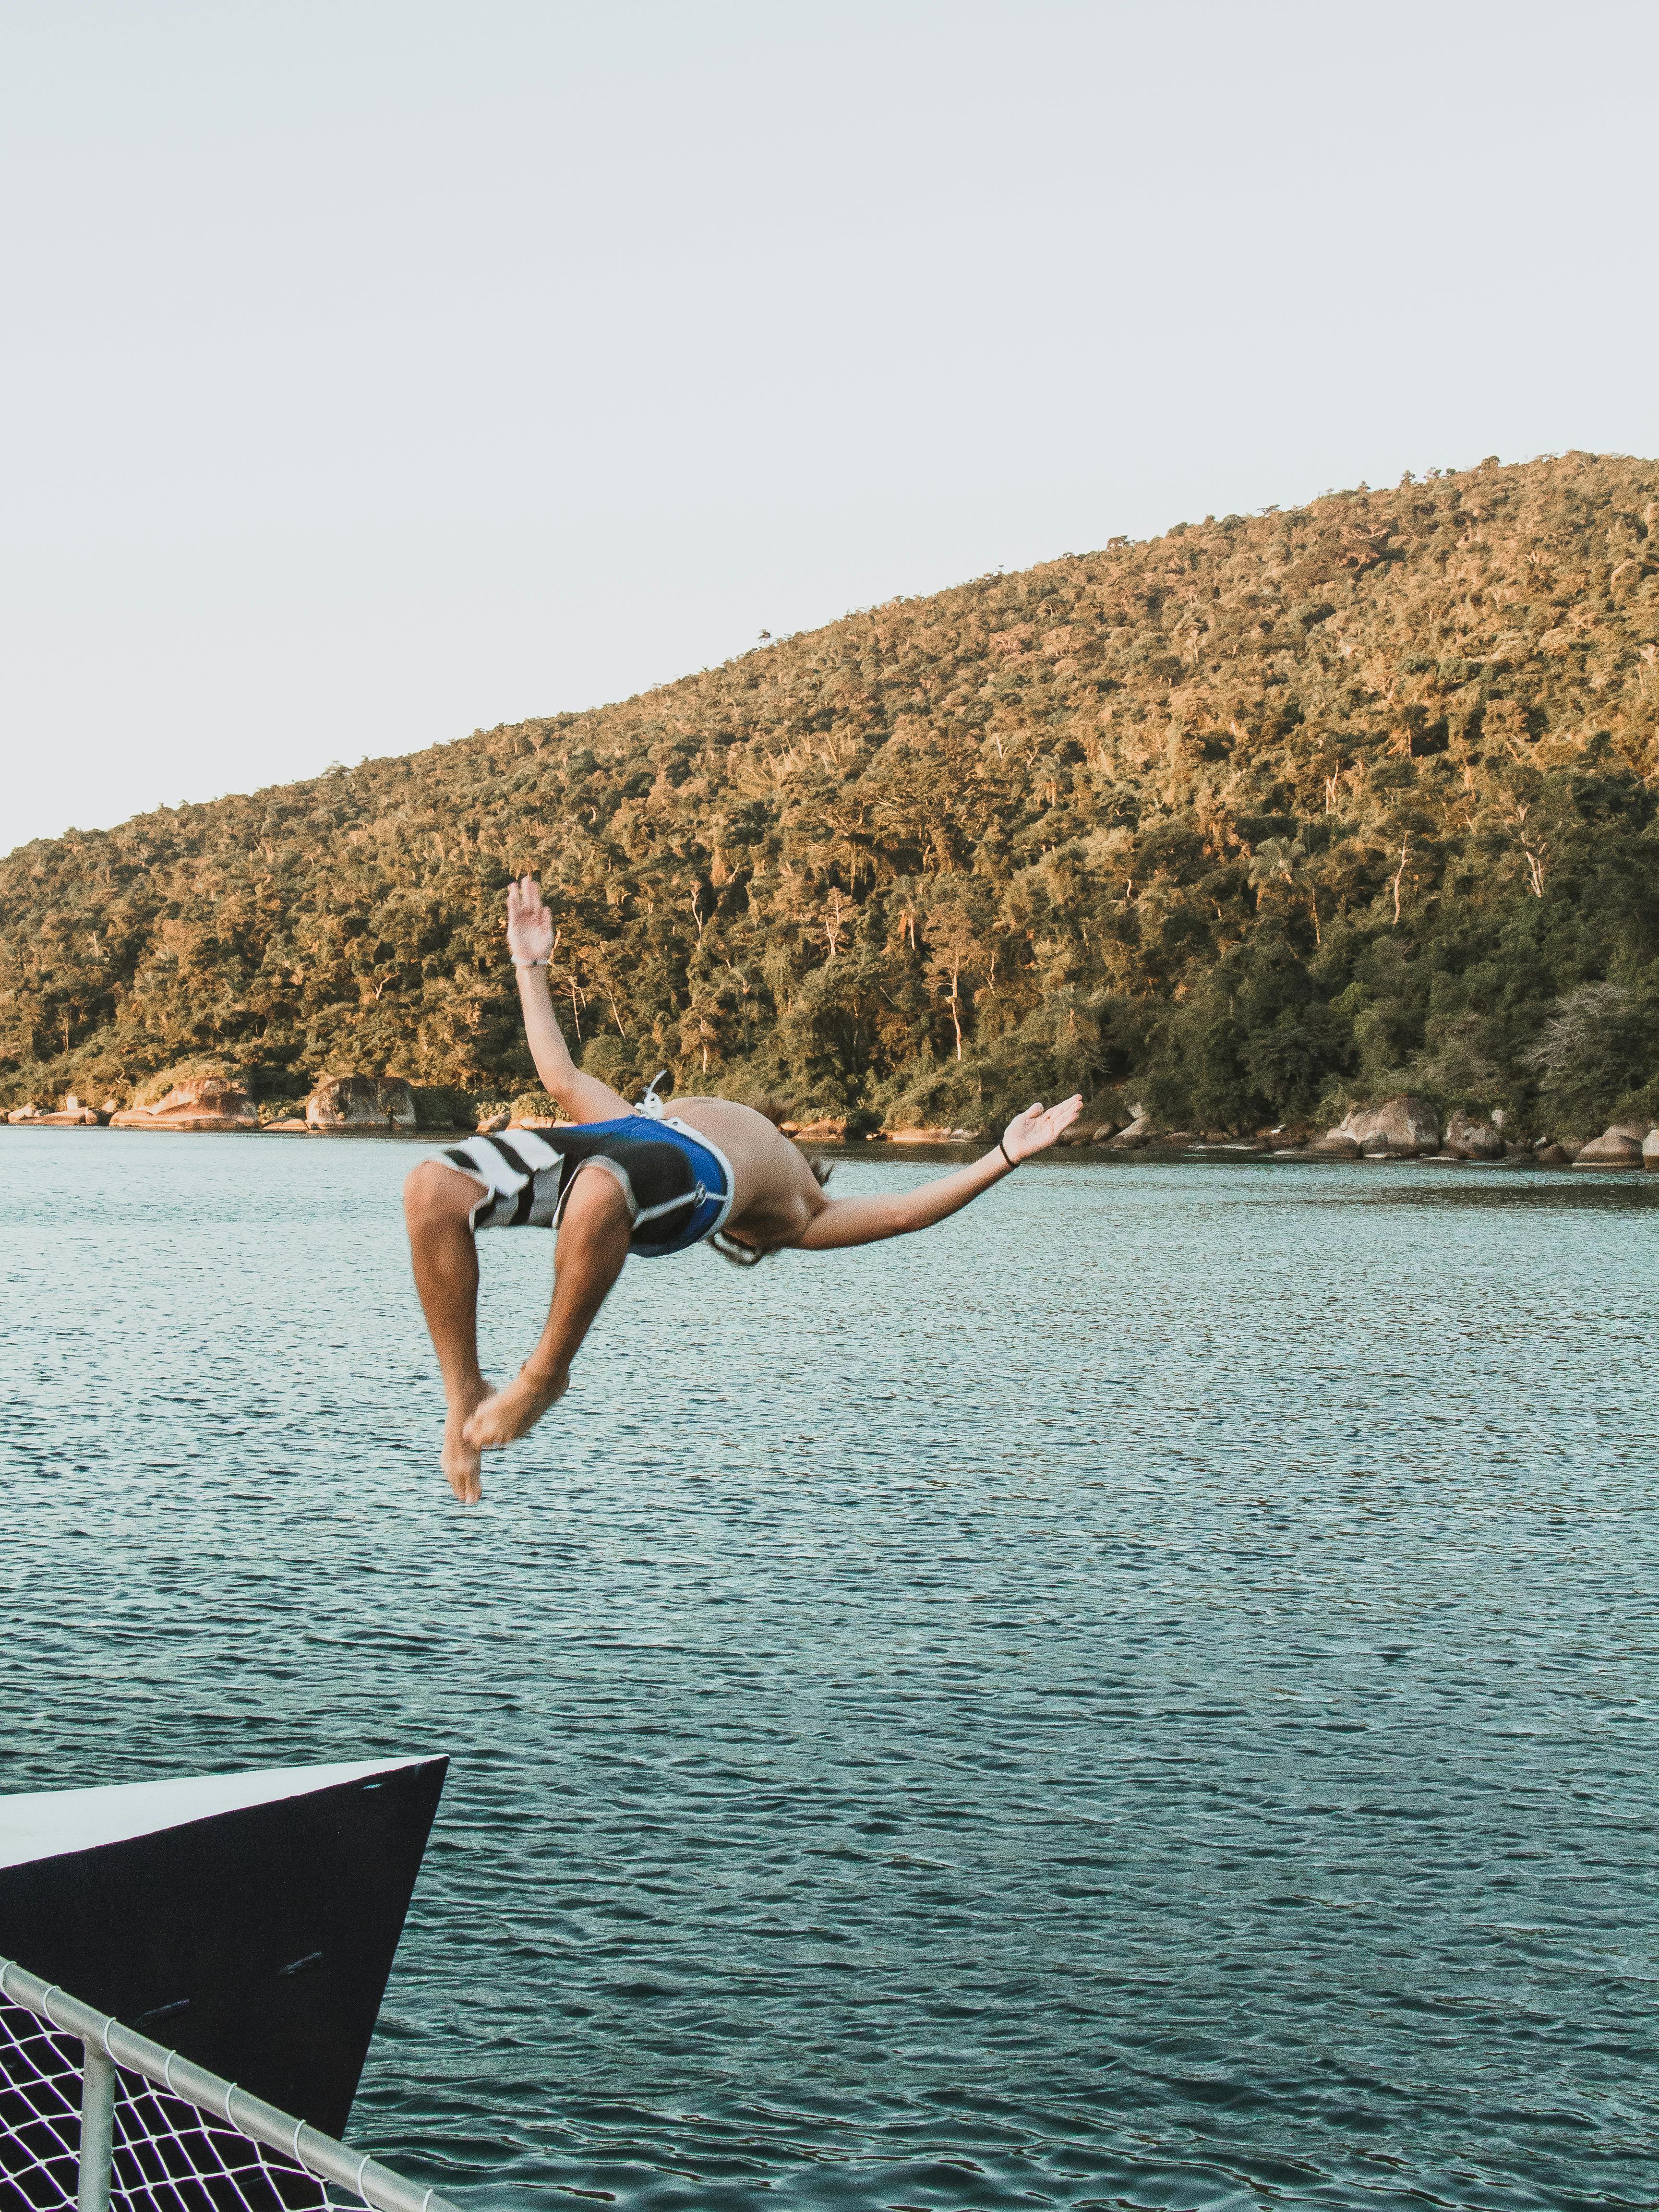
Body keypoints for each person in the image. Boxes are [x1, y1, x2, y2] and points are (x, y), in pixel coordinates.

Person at [404, 877, 1082, 1500]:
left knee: (604, 1190)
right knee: (433, 1188)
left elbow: (906, 1213)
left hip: (684, 1178)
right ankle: (464, 1390)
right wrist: (531, 964)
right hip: (638, 1144)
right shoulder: (644, 1123)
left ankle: (543, 1376)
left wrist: (1002, 1156)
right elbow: (560, 1076)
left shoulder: (799, 1213)